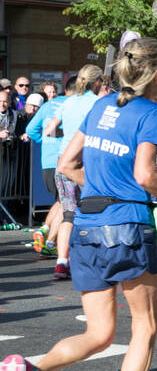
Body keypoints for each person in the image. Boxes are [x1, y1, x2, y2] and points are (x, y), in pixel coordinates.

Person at [0, 37, 157, 371]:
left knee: (100, 333)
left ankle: (25, 368)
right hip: (127, 226)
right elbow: (146, 175)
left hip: (88, 226)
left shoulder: (100, 106)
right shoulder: (151, 113)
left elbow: (68, 165)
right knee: (144, 326)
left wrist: (103, 190)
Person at [45, 65, 109, 280]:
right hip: (87, 164)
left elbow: (49, 130)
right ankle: (94, 258)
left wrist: (67, 133)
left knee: (69, 213)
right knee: (97, 210)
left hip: (63, 163)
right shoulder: (97, 103)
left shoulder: (67, 102)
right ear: (98, 82)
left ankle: (61, 262)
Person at [25, 75, 75, 257]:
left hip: (47, 162)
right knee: (67, 203)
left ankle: (45, 231)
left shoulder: (46, 106)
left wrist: (45, 142)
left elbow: (30, 130)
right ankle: (49, 238)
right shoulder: (74, 106)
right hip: (65, 161)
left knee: (62, 201)